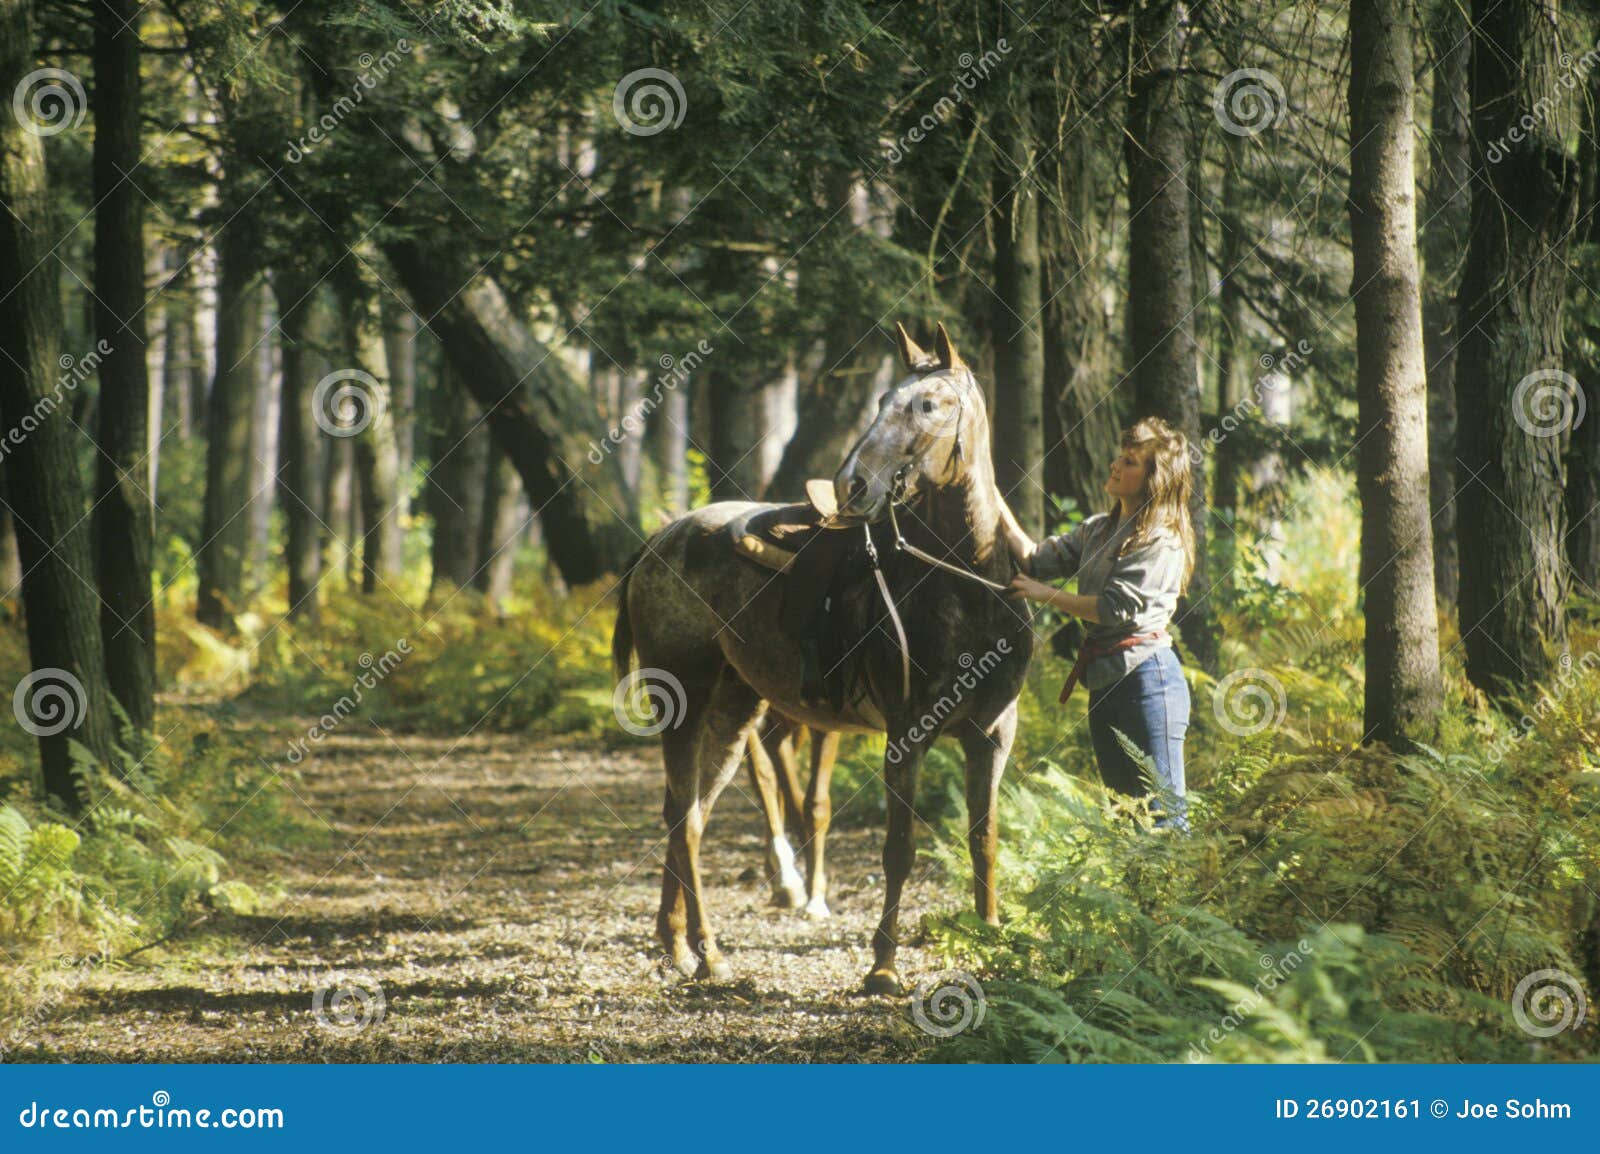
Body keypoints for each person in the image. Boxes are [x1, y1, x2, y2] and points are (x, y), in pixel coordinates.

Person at [1006, 417, 1196, 830]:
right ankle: (1140, 897)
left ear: (1153, 479)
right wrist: (989, 497)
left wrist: (1042, 594)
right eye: (1120, 456)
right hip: (1105, 682)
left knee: (1164, 820)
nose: (1115, 465)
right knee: (1126, 820)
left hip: (1149, 683)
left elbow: (1111, 609)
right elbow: (1036, 559)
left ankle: (1181, 896)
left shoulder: (1162, 539)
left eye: (1129, 462)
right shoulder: (1099, 529)